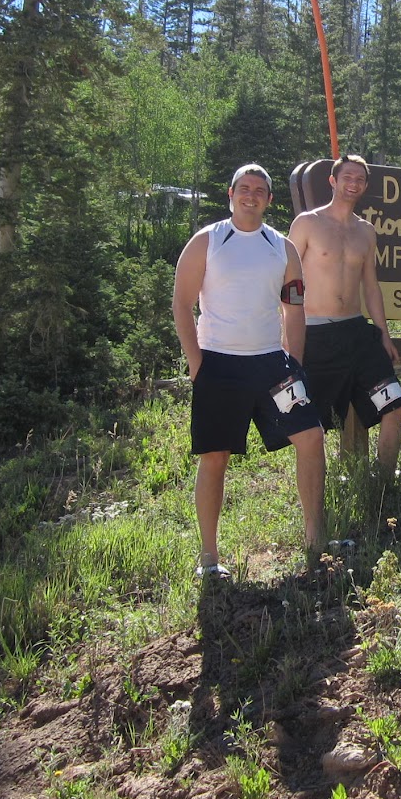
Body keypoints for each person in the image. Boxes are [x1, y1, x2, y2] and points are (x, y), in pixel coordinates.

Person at [172, 164, 326, 578]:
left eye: (260, 190)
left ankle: (315, 541)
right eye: (244, 188)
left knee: (311, 437)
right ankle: (209, 558)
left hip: (272, 363)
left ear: (269, 199)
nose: (251, 195)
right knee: (215, 456)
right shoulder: (207, 241)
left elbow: (294, 308)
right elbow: (181, 304)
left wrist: (295, 363)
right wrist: (197, 366)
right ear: (231, 193)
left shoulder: (282, 247)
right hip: (218, 364)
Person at [288, 155, 401, 472]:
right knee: (312, 425)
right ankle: (318, 494)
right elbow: (286, 281)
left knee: (394, 404)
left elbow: (371, 286)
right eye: (347, 177)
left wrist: (384, 335)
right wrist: (286, 337)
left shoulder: (366, 231)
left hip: (357, 334)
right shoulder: (307, 223)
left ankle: (382, 489)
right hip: (315, 335)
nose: (353, 184)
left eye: (359, 179)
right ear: (333, 181)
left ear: (365, 186)